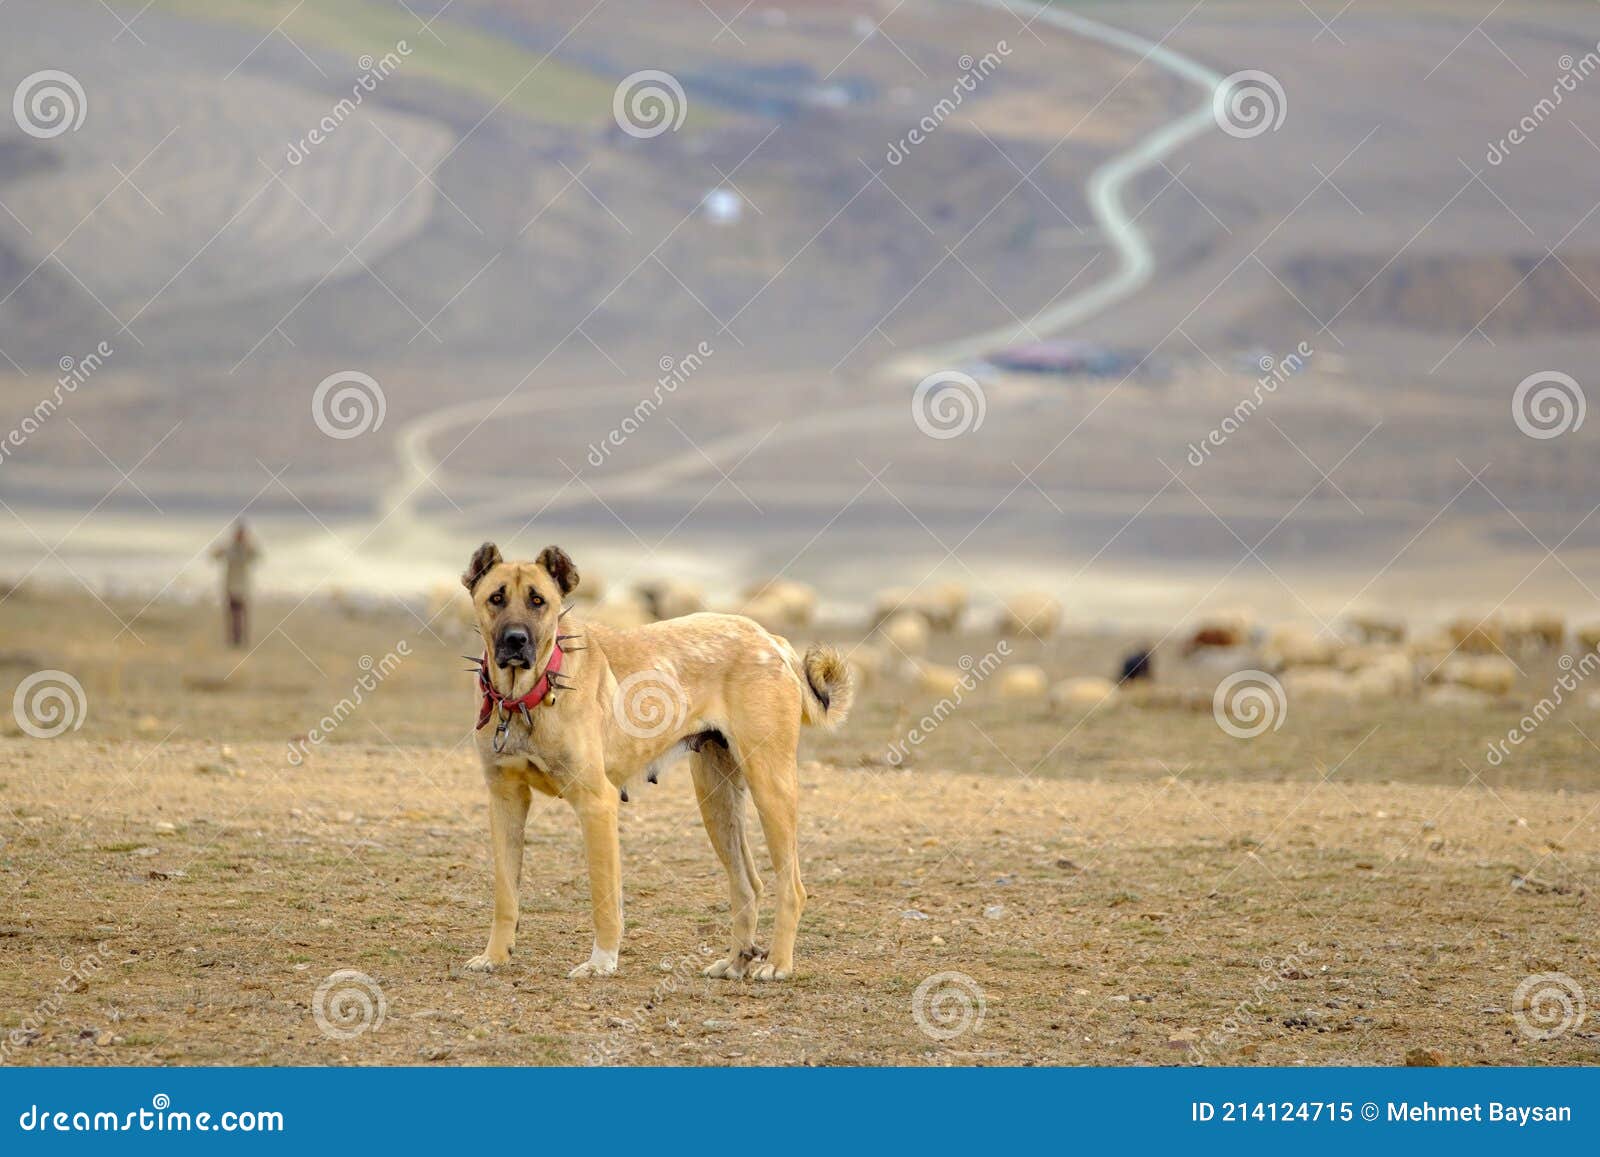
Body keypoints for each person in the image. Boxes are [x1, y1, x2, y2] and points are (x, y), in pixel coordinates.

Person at [211, 522, 261, 648]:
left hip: (243, 587)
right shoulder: (230, 548)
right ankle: (233, 640)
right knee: (232, 615)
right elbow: (215, 555)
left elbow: (257, 556)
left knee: (242, 615)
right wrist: (223, 547)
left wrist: (248, 545)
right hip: (231, 586)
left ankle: (243, 640)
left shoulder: (246, 549)